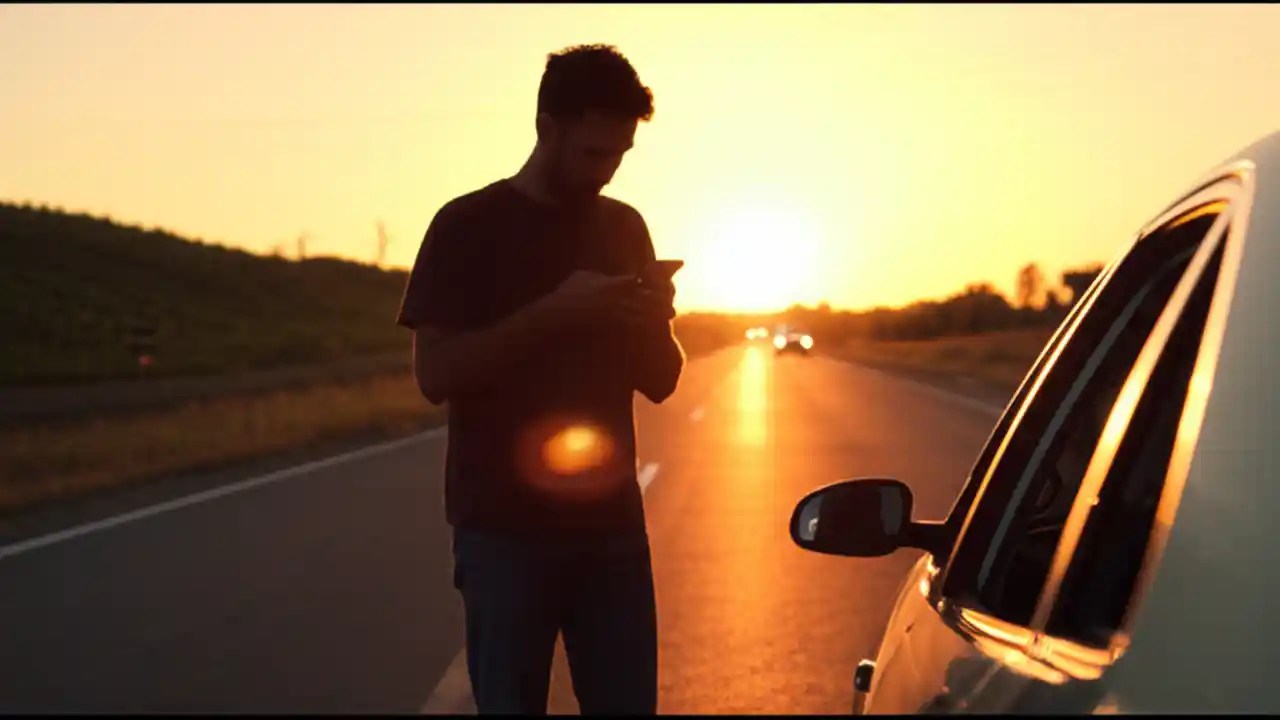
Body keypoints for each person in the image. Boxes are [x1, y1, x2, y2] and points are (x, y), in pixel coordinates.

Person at [396, 44, 684, 715]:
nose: (605, 173)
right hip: (503, 532)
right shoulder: (465, 227)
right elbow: (435, 374)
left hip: (611, 530)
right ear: (545, 128)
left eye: (618, 156)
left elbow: (664, 379)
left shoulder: (623, 226)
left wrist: (651, 319)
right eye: (591, 154)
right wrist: (553, 314)